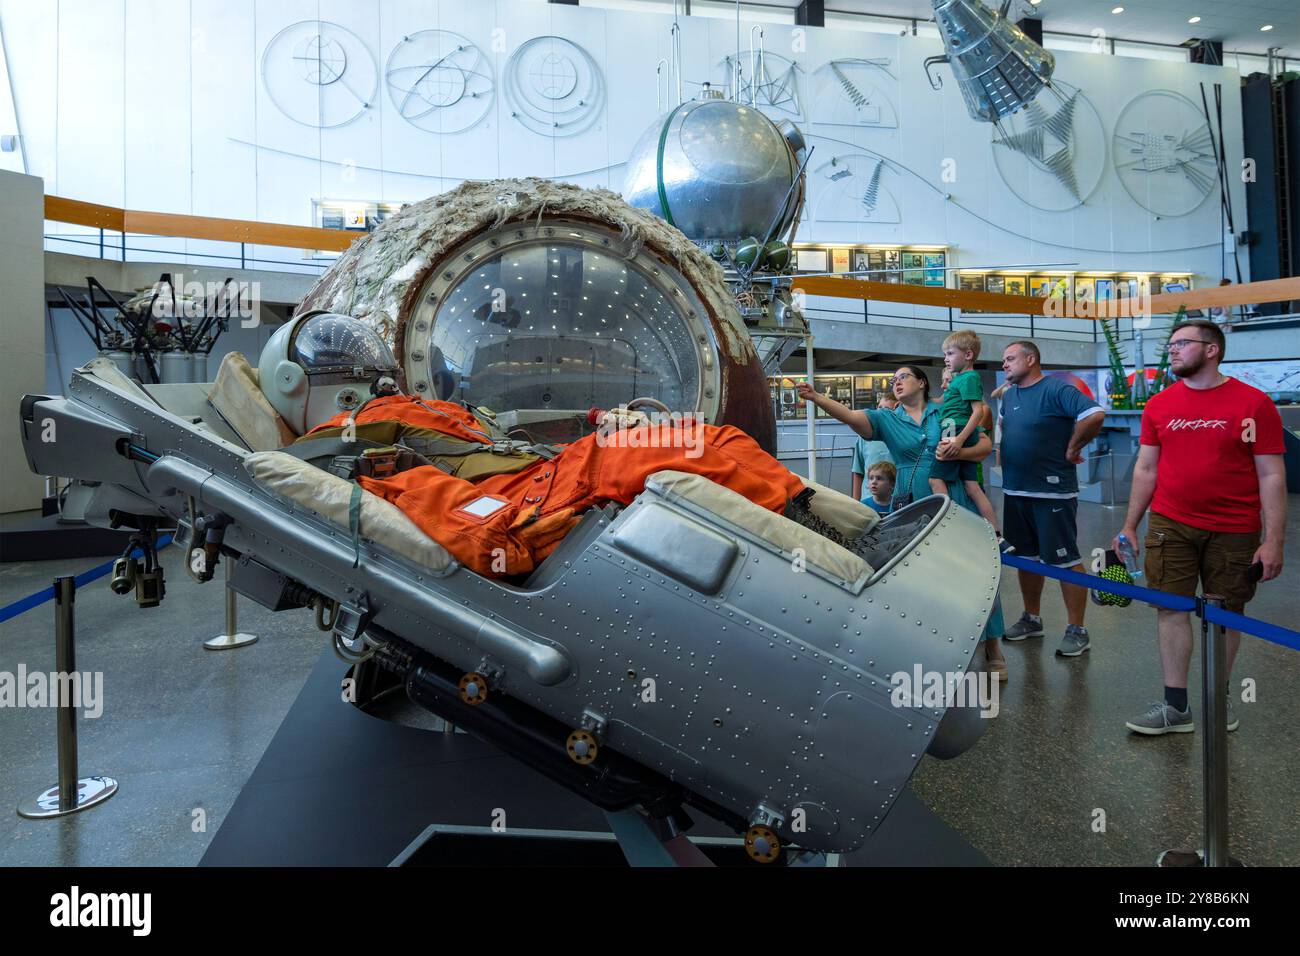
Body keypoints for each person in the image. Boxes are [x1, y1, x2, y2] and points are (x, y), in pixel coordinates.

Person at [1114, 319, 1286, 734]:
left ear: (1212, 350)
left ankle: (1218, 698)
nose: (1172, 350)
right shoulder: (1160, 405)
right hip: (1170, 523)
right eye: (1170, 344)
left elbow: (1271, 475)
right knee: (1170, 609)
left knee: (1224, 613)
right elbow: (1146, 468)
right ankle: (1176, 707)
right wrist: (1130, 525)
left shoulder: (1254, 404)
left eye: (1181, 343)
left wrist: (1273, 540)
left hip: (1234, 528)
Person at [797, 366, 1009, 681]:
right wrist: (816, 397)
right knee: (921, 577)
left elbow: (983, 447)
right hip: (910, 505)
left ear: (921, 382)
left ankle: (993, 647)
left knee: (973, 571)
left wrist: (958, 450)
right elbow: (852, 417)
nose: (896, 382)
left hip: (952, 499)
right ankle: (935, 649)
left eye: (903, 377)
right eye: (893, 380)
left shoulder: (945, 411)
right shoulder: (888, 418)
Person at [998, 341, 1106, 657]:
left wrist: (1073, 447)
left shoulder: (1056, 390)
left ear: (1031, 360)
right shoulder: (1009, 396)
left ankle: (1077, 628)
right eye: (1004, 360)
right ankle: (1032, 619)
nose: (1004, 364)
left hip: (1052, 492)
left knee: (1065, 560)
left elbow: (1094, 414)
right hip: (1015, 492)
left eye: (1010, 359)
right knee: (1026, 558)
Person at [930, 331, 998, 530]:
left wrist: (959, 439)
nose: (946, 358)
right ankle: (995, 531)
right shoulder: (959, 379)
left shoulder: (968, 378)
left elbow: (977, 411)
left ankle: (949, 523)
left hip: (954, 429)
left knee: (935, 479)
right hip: (955, 428)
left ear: (968, 355)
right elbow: (941, 401)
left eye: (950, 353)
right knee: (972, 486)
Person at [850, 393, 896, 504]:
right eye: (879, 408)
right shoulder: (864, 437)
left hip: (896, 501)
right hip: (868, 501)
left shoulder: (902, 436)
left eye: (887, 409)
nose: (881, 413)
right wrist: (856, 504)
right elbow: (858, 471)